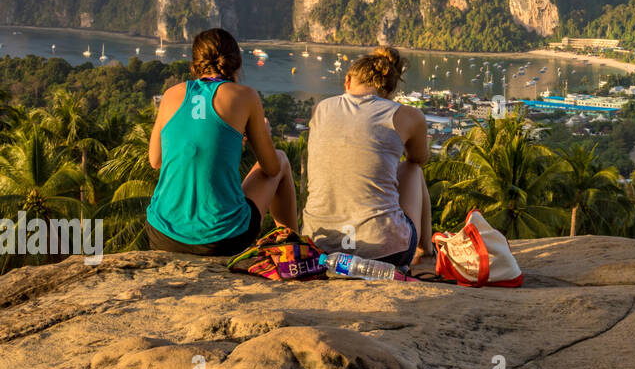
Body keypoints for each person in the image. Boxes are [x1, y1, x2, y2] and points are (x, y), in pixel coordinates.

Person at [145, 28, 298, 255]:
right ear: (236, 64)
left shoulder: (171, 95)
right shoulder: (245, 96)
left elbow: (155, 160)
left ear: (194, 65)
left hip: (163, 235)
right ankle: (294, 250)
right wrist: (263, 132)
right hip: (223, 238)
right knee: (282, 160)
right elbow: (271, 168)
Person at [302, 46, 434, 271]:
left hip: (320, 247)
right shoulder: (407, 115)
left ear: (347, 81)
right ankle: (426, 253)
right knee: (412, 170)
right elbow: (419, 158)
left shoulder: (320, 109)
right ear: (390, 92)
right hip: (384, 253)